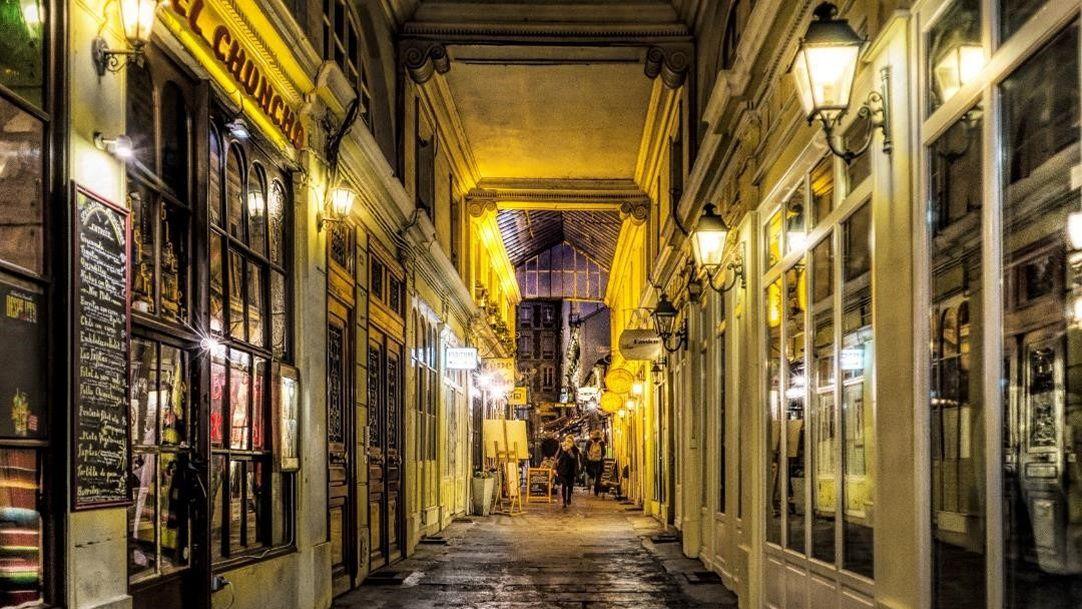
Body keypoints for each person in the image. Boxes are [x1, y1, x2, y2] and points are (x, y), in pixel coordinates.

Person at [554, 435, 580, 508]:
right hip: (562, 469)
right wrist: (555, 468)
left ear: (572, 442)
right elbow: (557, 457)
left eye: (569, 441)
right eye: (566, 441)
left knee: (570, 486)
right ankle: (564, 502)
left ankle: (569, 498)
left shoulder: (575, 449)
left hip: (571, 470)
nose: (567, 442)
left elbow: (575, 459)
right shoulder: (562, 447)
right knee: (564, 484)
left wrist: (569, 450)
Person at [584, 430, 607, 496]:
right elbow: (604, 453)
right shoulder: (602, 443)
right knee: (598, 477)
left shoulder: (588, 442)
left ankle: (591, 483)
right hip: (599, 463)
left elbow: (586, 452)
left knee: (591, 475)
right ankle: (596, 492)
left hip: (590, 463)